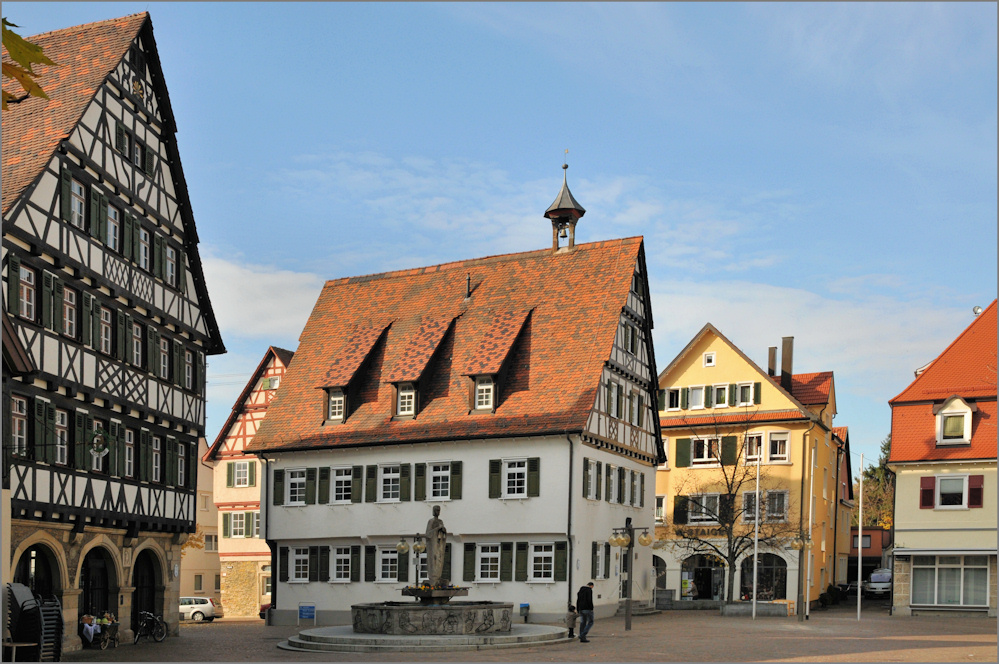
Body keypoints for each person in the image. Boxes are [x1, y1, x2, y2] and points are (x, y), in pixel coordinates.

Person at [425, 505, 447, 586]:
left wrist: (443, 530)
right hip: (433, 544)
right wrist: (437, 529)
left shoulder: (440, 521)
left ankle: (438, 577)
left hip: (439, 543)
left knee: (439, 559)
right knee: (433, 559)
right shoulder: (431, 521)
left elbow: (443, 533)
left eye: (438, 510)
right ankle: (433, 578)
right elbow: (428, 534)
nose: (437, 512)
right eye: (436, 510)